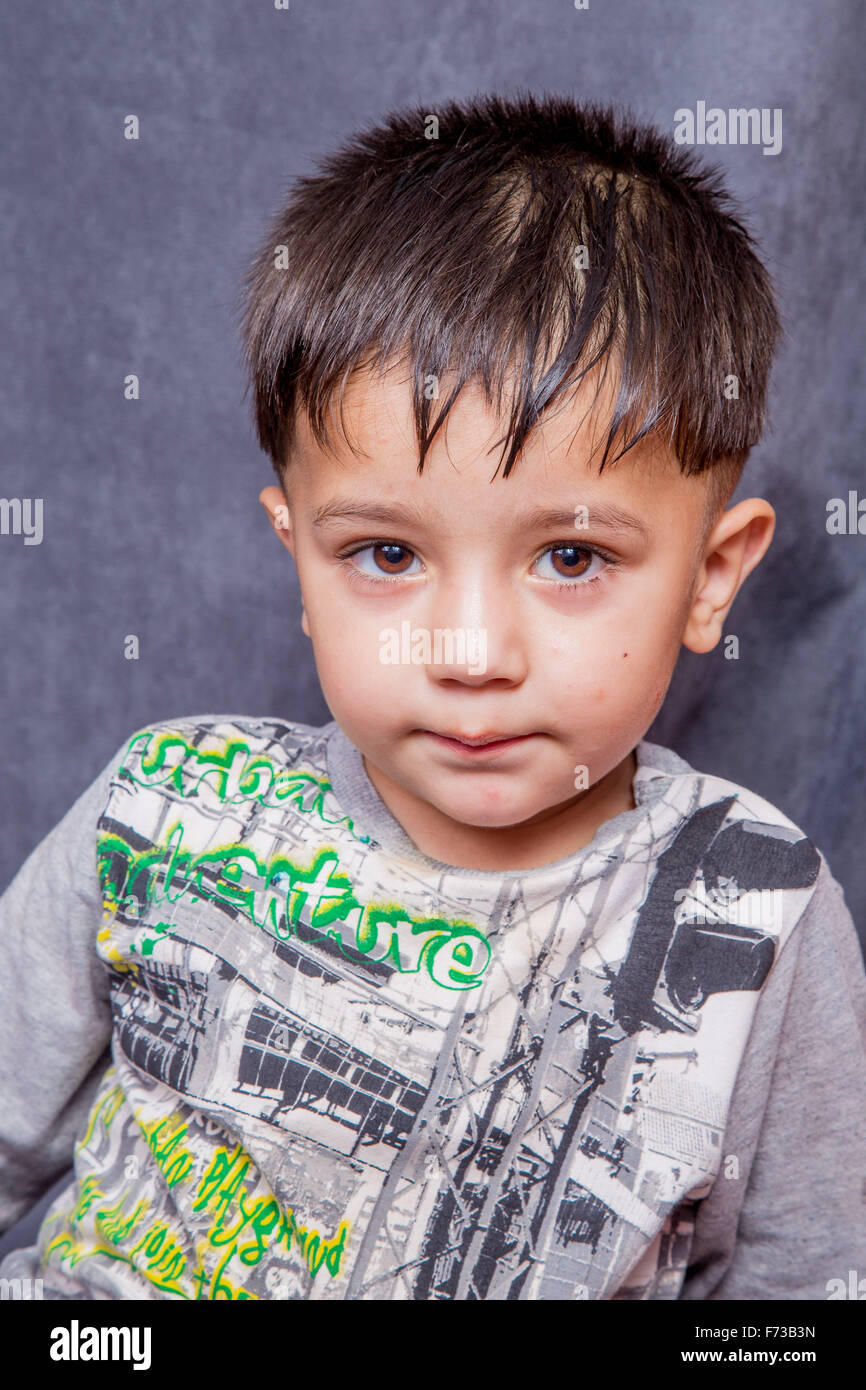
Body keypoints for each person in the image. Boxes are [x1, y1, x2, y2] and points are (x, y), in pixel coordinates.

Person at [1, 91, 864, 1302]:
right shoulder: (162, 807)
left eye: (571, 559)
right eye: (387, 556)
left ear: (709, 578)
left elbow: (802, 1297)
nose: (468, 651)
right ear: (298, 554)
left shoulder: (757, 908)